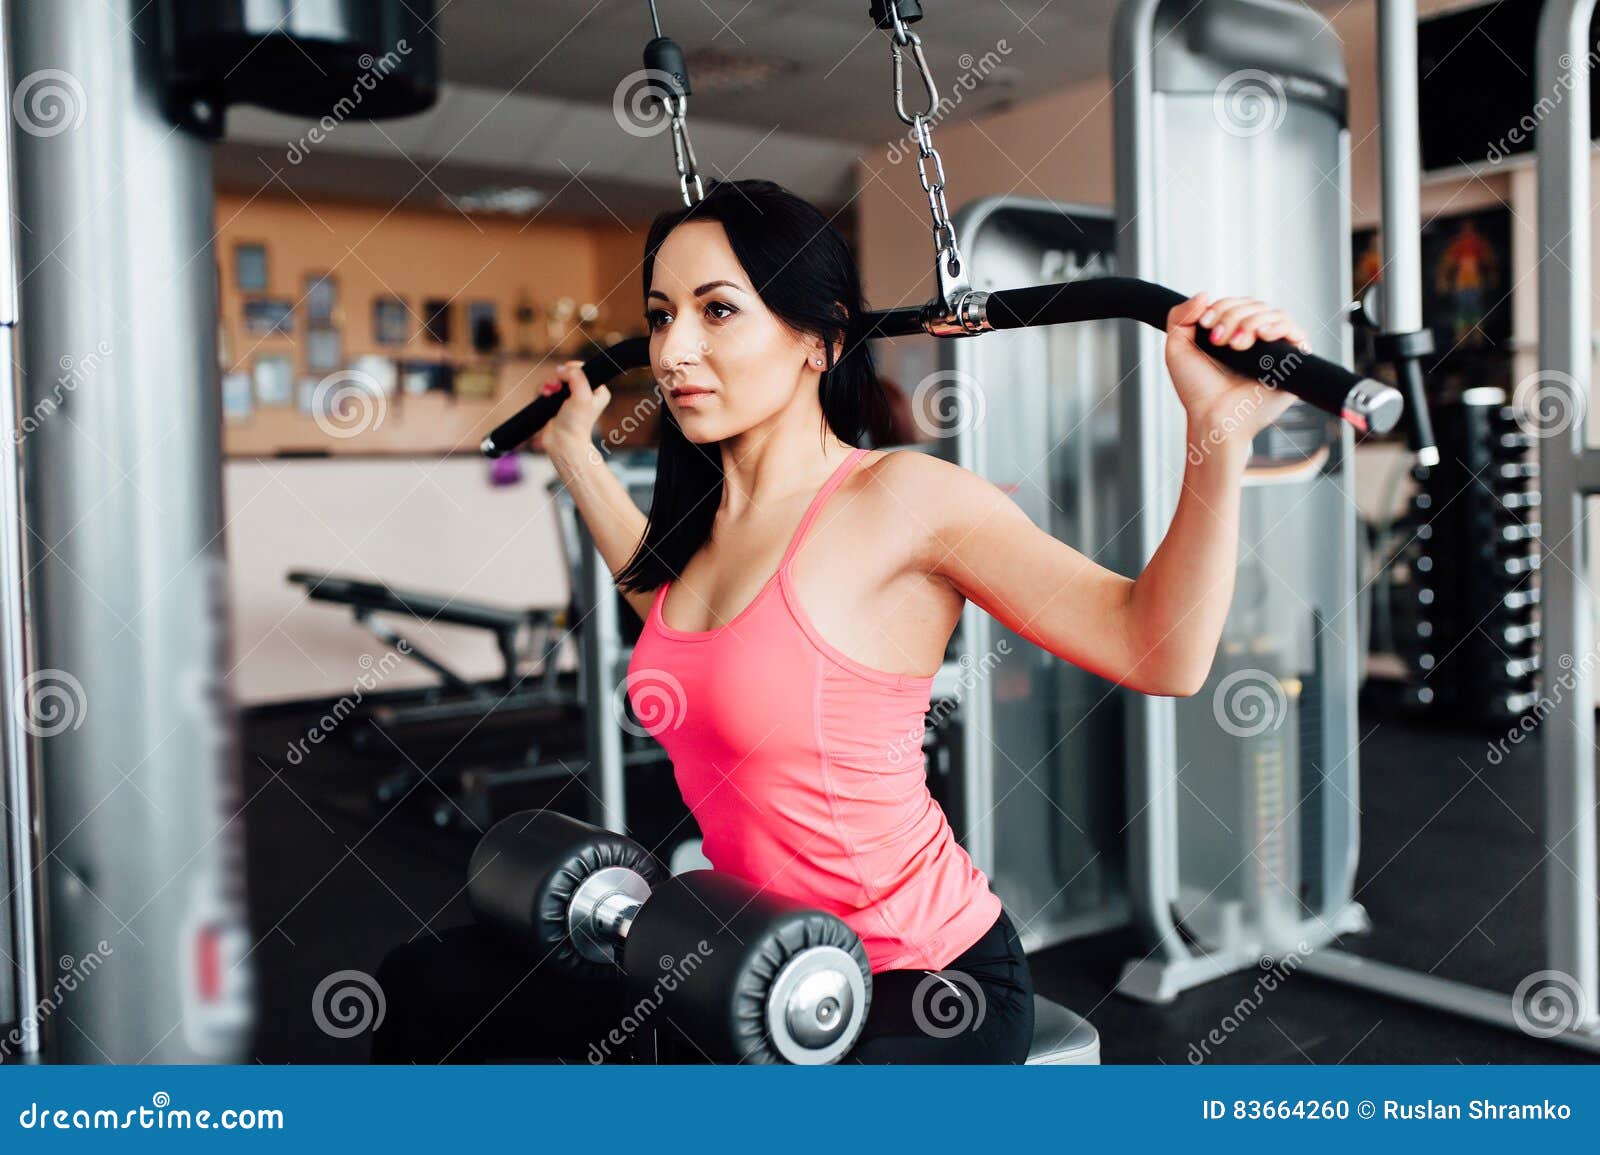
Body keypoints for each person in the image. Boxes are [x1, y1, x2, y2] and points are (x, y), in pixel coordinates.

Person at [371, 178, 1305, 1065]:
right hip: (747, 950)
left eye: (717, 310)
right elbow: (673, 615)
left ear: (819, 341)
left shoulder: (903, 499)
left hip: (916, 978)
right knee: (431, 982)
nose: (673, 349)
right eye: (660, 315)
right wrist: (574, 452)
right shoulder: (705, 534)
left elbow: (1160, 650)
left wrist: (1216, 436)